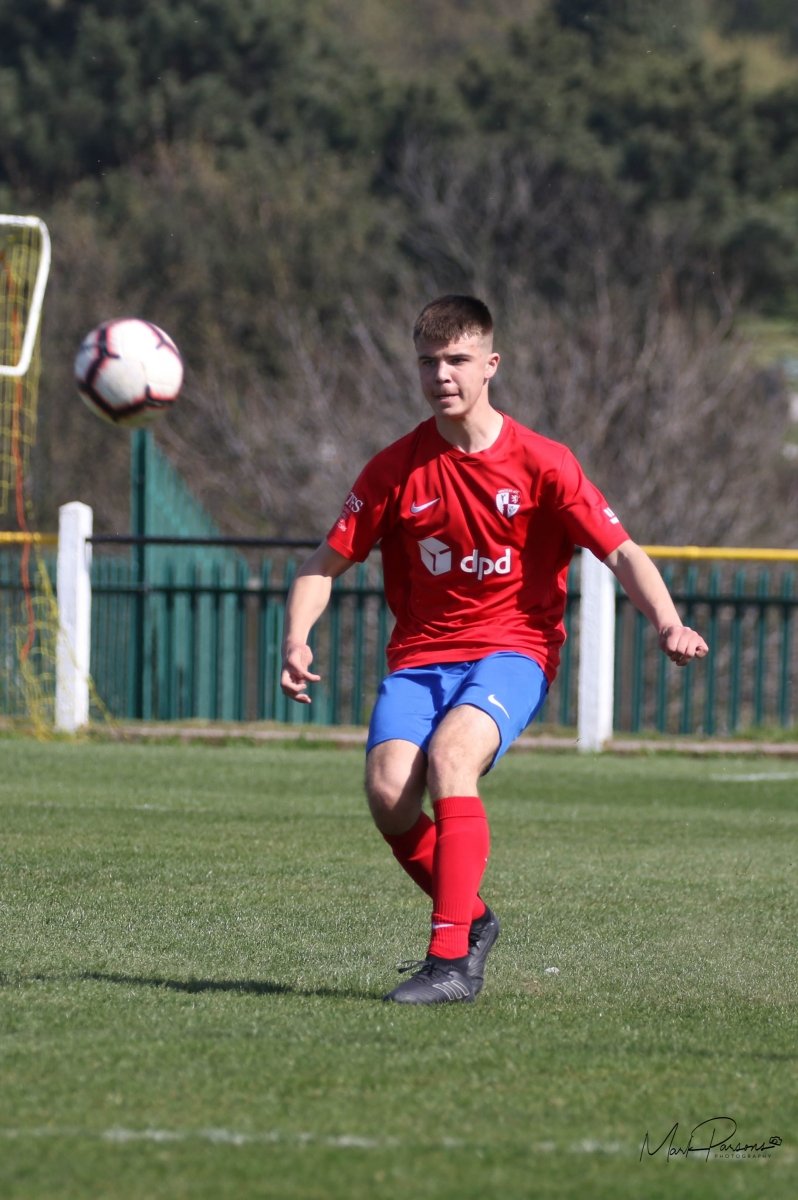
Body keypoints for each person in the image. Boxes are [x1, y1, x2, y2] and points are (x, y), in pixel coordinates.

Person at [280, 294, 708, 1006]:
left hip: (514, 651)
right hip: (420, 657)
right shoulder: (394, 470)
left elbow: (622, 552)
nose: (441, 374)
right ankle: (474, 918)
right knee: (389, 798)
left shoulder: (543, 463)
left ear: (490, 365)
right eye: (428, 361)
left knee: (452, 759)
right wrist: (297, 638)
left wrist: (667, 622)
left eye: (456, 360)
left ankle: (449, 961)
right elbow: (321, 567)